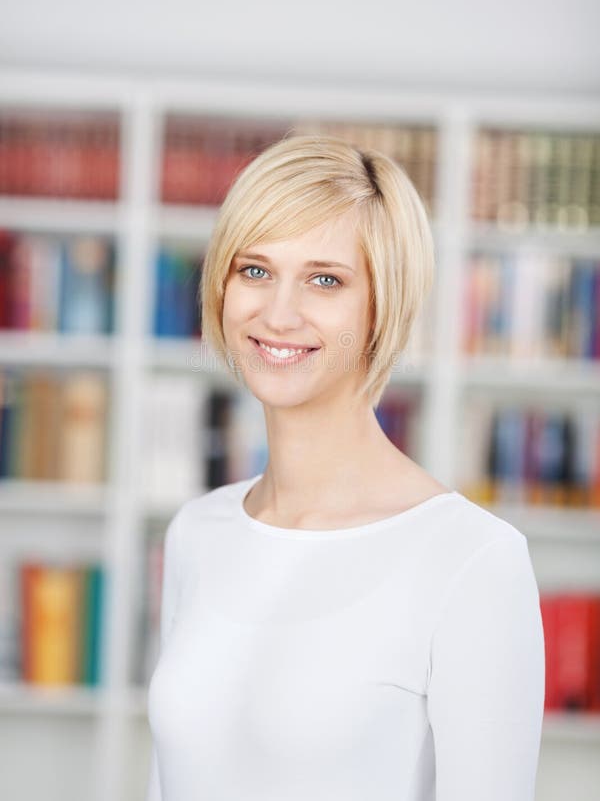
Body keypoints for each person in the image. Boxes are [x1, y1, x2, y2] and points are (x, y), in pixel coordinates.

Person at [145, 134, 545, 801]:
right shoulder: (198, 532)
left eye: (325, 279)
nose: (277, 312)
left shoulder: (474, 561)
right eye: (255, 270)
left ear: (380, 308)